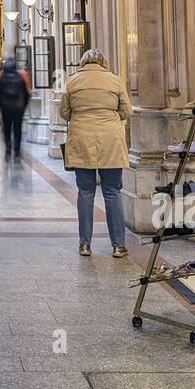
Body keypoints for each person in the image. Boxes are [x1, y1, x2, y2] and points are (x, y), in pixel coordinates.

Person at [59, 49, 131, 258]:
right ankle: (118, 245)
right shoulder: (115, 81)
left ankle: (85, 244)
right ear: (104, 62)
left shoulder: (73, 82)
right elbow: (126, 111)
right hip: (110, 140)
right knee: (112, 192)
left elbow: (64, 112)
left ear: (83, 62)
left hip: (82, 139)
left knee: (86, 193)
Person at [0, 56, 31, 157]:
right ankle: (17, 149)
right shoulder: (21, 76)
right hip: (19, 107)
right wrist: (24, 105)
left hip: (6, 107)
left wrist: (0, 105)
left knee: (6, 128)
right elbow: (26, 93)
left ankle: (8, 147)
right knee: (17, 128)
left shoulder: (1, 76)